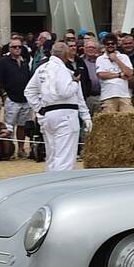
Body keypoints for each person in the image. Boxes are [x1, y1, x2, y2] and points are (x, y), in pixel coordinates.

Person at [23, 41, 92, 172]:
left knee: (52, 155)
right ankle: (62, 186)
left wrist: (40, 110)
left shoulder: (42, 69)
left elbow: (29, 91)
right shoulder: (64, 71)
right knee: (65, 157)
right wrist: (75, 82)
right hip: (66, 115)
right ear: (65, 54)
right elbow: (66, 92)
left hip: (48, 115)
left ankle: (51, 184)